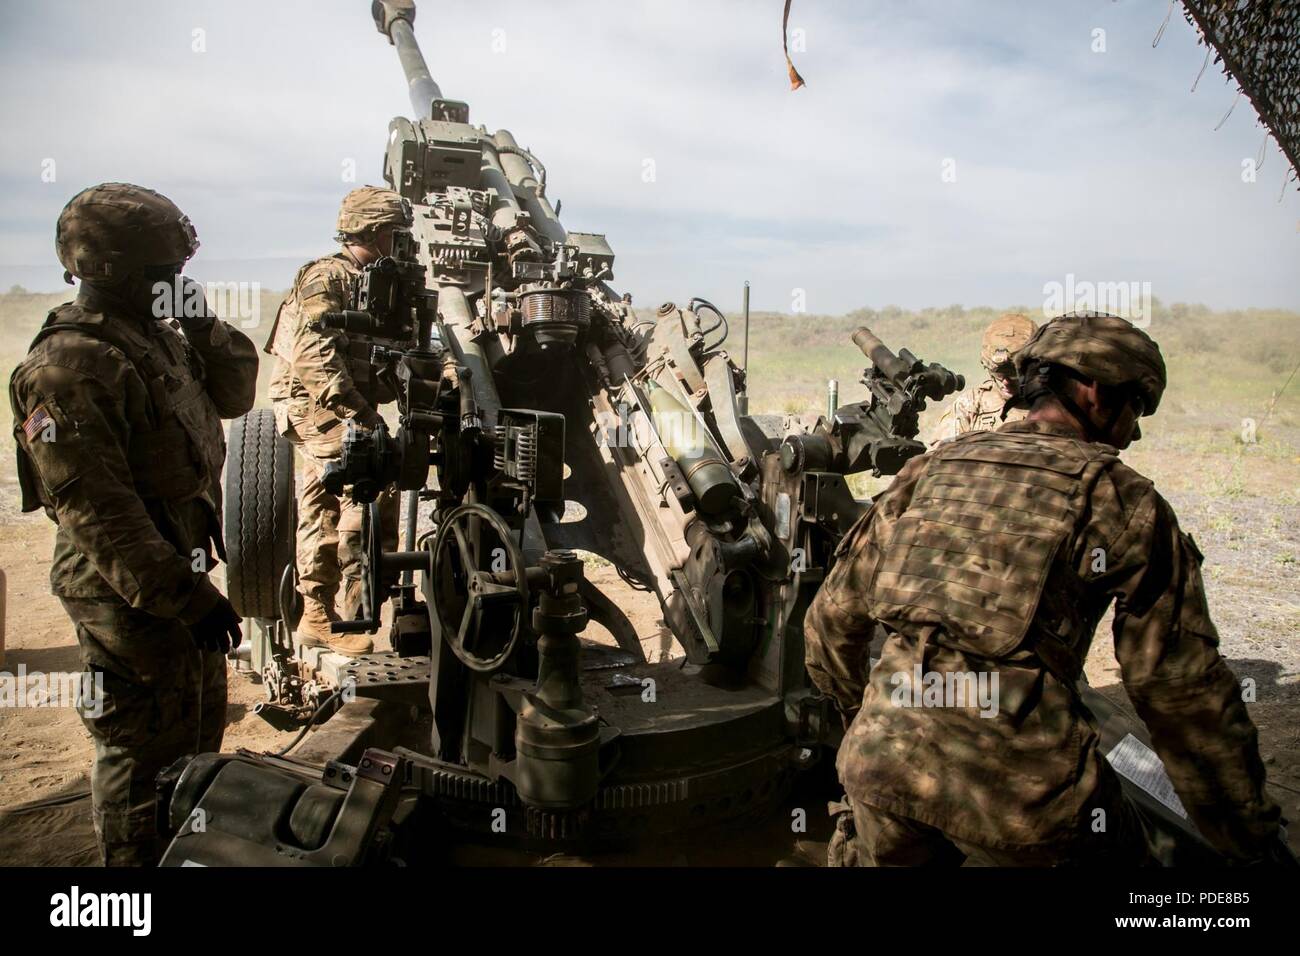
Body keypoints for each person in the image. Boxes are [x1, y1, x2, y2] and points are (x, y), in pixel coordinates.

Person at [806, 312, 1285, 866]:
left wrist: (865, 722)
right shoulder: (1122, 499)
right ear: (1094, 392)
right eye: (1137, 406)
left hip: (881, 771)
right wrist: (1249, 840)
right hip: (1026, 801)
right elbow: (1181, 693)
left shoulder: (928, 471)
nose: (1135, 431)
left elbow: (828, 625)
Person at [9, 182, 257, 865]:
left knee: (196, 735)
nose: (176, 279)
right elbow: (100, 513)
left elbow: (236, 394)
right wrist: (184, 595)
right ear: (113, 272)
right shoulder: (68, 368)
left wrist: (202, 324)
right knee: (141, 752)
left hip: (180, 575)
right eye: (163, 270)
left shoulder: (155, 338)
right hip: (128, 591)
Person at [265, 186, 409, 655]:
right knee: (361, 482)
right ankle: (337, 614)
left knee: (334, 499)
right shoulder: (327, 276)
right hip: (315, 402)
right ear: (375, 231)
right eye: (396, 232)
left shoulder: (376, 280)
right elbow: (314, 356)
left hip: (343, 403)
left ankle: (336, 615)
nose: (403, 242)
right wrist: (361, 414)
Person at [931, 312, 1037, 443]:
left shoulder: (1053, 404)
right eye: (998, 374)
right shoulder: (970, 404)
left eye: (1014, 375)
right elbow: (941, 452)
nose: (1005, 382)